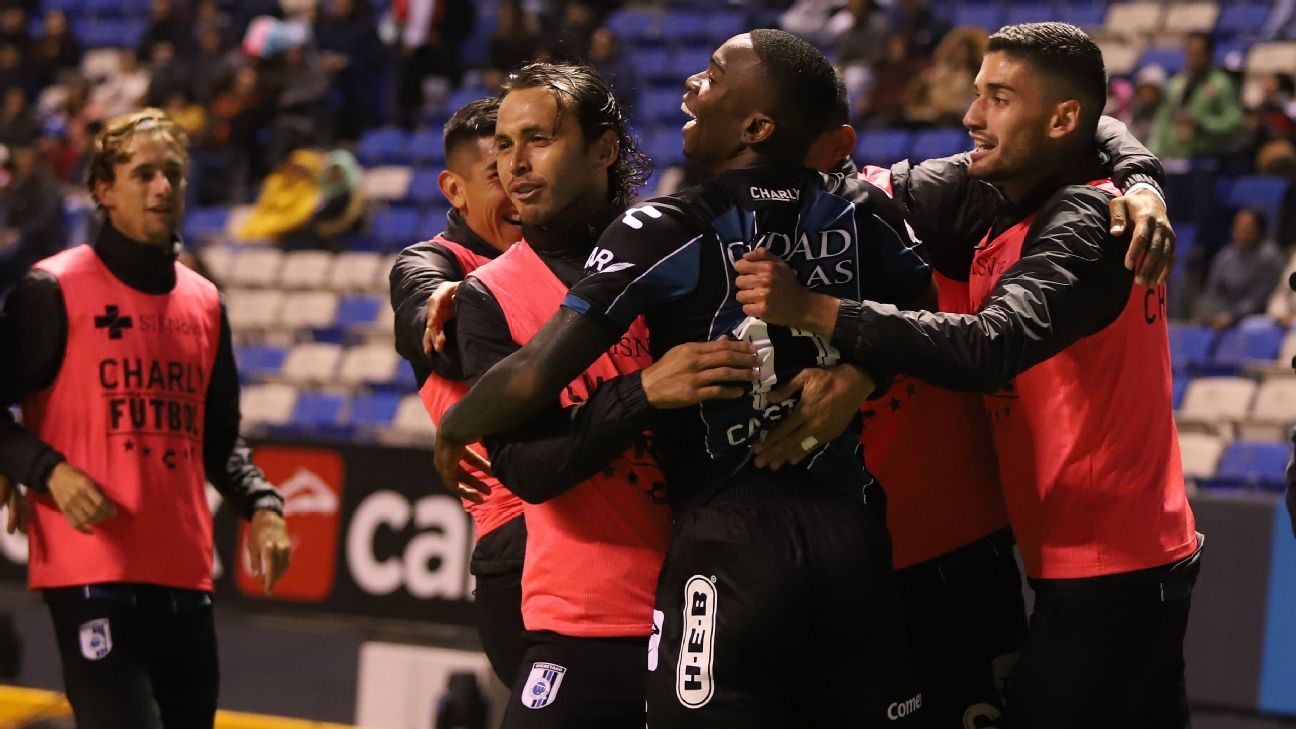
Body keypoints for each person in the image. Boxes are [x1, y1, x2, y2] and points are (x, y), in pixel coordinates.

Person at [437, 31, 931, 728]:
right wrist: (862, 369)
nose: (689, 89)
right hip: (850, 527)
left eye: (711, 78)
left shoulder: (667, 228)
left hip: (727, 542)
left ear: (757, 126)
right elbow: (929, 316)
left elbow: (533, 373)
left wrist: (457, 426)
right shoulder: (866, 213)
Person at [736, 23, 1199, 729]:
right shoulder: (1007, 189)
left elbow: (992, 343)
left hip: (1113, 569)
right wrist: (1145, 174)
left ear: (1059, 120)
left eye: (999, 98)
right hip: (1095, 562)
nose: (971, 116)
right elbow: (1095, 123)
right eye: (978, 94)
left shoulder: (1086, 220)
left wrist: (817, 310)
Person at [454, 62, 758, 729]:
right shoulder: (489, 296)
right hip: (584, 621)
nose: (516, 163)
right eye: (504, 145)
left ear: (605, 148)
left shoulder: (688, 257)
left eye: (538, 139)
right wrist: (645, 389)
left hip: (711, 606)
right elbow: (530, 469)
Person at [0, 108, 291, 729]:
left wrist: (263, 507)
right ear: (103, 189)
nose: (163, 187)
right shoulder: (50, 289)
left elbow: (219, 442)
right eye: (143, 174)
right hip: (89, 568)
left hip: (185, 572)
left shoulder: (205, 302)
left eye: (174, 174)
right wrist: (44, 470)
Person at [388, 97, 527, 688]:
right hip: (518, 542)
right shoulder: (432, 266)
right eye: (497, 176)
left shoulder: (563, 256)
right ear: (454, 189)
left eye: (526, 169)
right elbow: (438, 336)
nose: (519, 189)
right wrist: (467, 302)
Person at [1150, 31, 1243, 160]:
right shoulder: (1176, 84)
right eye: (1190, 53)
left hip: (1206, 156)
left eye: (1198, 53)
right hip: (1173, 154)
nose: (1193, 58)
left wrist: (1202, 125)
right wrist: (1154, 153)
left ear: (1209, 55)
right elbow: (1163, 119)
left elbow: (1234, 120)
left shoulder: (1221, 84)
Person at [1193, 207, 1285, 329]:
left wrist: (1232, 317)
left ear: (1259, 230)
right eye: (1238, 226)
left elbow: (1259, 299)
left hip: (1252, 318)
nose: (1241, 231)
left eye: (1247, 228)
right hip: (1221, 315)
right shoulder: (1224, 256)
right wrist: (1214, 314)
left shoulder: (1270, 258)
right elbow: (1212, 291)